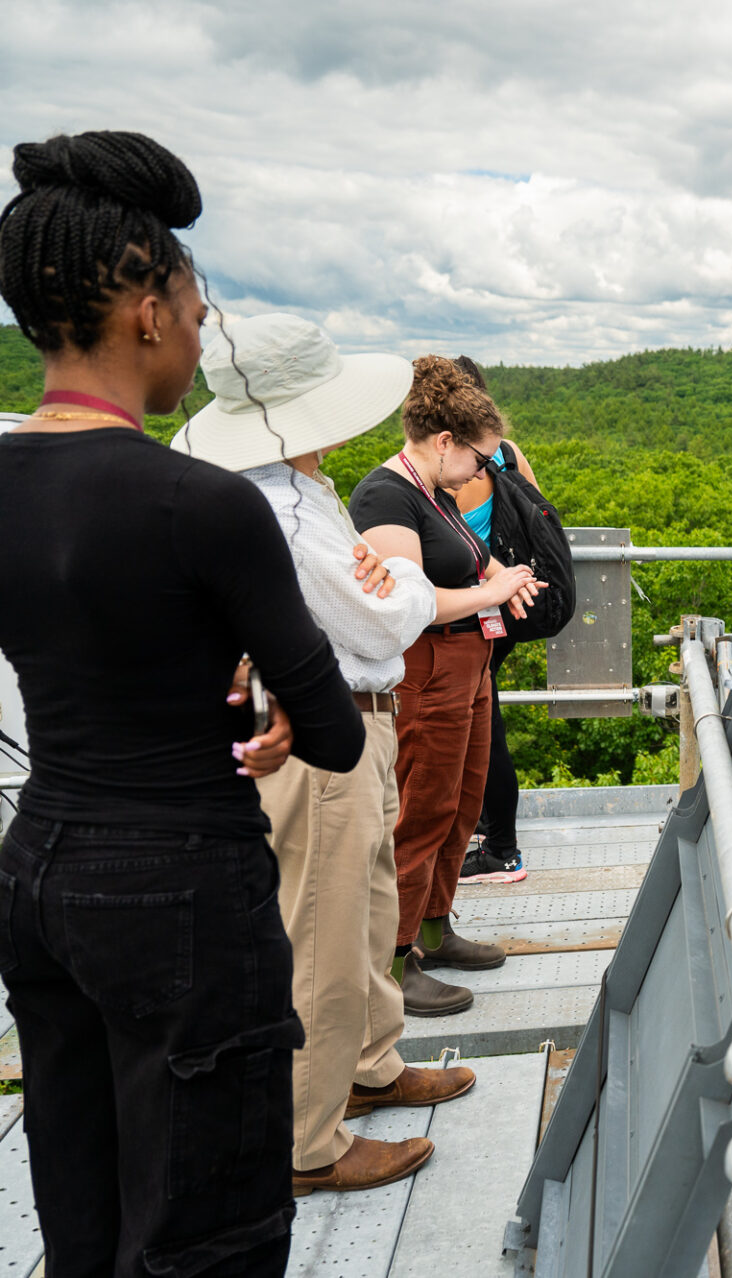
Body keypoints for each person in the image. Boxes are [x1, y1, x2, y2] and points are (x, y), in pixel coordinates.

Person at [0, 131, 364, 1275]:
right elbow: (340, 732)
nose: (201, 329)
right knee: (208, 1224)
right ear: (147, 310)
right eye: (196, 306)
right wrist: (281, 697)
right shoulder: (198, 504)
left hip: (40, 864)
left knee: (81, 1193)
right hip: (182, 891)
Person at [172, 313, 480, 1197]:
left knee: (368, 904)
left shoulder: (305, 488)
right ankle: (308, 1141)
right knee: (323, 931)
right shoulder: (274, 506)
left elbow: (376, 600)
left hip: (355, 720)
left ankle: (370, 1065)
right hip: (319, 728)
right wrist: (410, 584)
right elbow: (381, 616)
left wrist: (390, 584)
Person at [351, 357, 544, 1015]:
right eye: (479, 460)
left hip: (470, 665)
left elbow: (470, 560)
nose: (483, 474)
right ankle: (395, 960)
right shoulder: (385, 496)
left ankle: (436, 929)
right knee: (422, 810)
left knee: (461, 805)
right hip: (427, 671)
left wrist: (510, 582)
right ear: (444, 442)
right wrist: (491, 589)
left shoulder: (432, 494)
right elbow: (410, 602)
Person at [450, 356, 542, 885]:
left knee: (482, 722)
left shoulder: (450, 468)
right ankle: (488, 832)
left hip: (466, 608)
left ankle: (502, 848)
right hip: (507, 604)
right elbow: (540, 512)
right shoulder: (507, 454)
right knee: (483, 713)